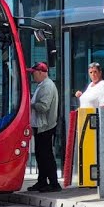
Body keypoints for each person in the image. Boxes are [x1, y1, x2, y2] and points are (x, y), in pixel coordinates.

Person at [27, 62, 61, 193]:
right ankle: (42, 181)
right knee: (41, 155)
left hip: (45, 126)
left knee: (46, 155)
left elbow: (44, 106)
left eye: (34, 73)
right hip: (41, 126)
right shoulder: (42, 85)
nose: (33, 75)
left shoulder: (47, 86)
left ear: (41, 72)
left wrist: (31, 103)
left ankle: (53, 183)